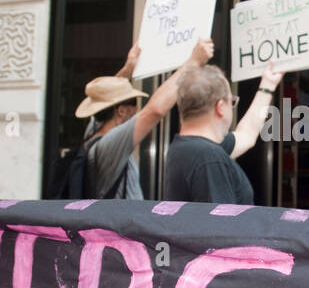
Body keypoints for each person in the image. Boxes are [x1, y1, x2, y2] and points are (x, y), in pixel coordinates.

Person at [73, 38, 214, 199]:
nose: (136, 109)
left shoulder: (92, 132)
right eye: (133, 103)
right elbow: (155, 110)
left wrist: (129, 68)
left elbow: (106, 97)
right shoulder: (108, 145)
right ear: (121, 111)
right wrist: (192, 62)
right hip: (120, 224)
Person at [166, 62, 283, 204]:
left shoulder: (186, 147)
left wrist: (268, 85)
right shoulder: (209, 159)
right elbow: (221, 224)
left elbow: (247, 135)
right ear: (220, 107)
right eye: (232, 101)